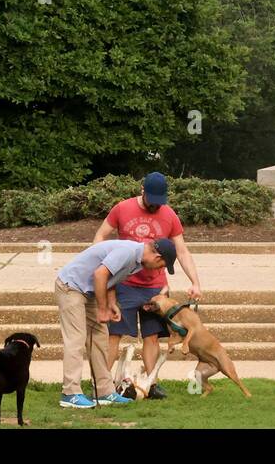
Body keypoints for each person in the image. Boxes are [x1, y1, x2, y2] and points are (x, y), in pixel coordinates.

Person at [93, 171, 201, 400]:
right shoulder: (122, 208)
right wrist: (104, 263)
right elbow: (100, 236)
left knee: (152, 336)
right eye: (152, 200)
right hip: (126, 283)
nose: (155, 206)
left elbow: (181, 250)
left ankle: (150, 383)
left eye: (159, 202)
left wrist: (195, 281)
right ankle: (102, 386)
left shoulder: (169, 215)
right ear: (142, 190)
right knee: (115, 335)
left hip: (156, 287)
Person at [53, 237, 176, 409]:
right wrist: (102, 309)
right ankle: (70, 393)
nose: (159, 270)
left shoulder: (137, 260)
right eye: (162, 265)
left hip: (88, 292)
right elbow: (100, 274)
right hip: (71, 287)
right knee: (77, 339)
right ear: (157, 258)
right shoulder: (128, 252)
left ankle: (104, 392)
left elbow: (110, 278)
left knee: (100, 337)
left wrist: (111, 303)